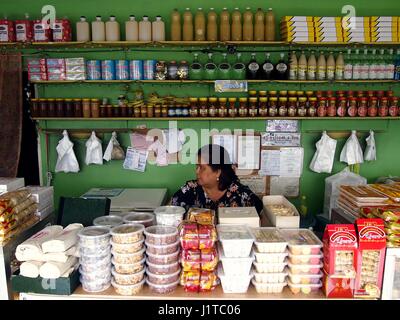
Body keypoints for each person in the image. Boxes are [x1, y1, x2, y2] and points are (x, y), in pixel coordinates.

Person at [171, 144, 263, 215]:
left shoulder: (239, 193)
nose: (197, 171)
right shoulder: (190, 189)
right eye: (197, 166)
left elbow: (260, 212)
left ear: (218, 172)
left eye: (201, 167)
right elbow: (171, 210)